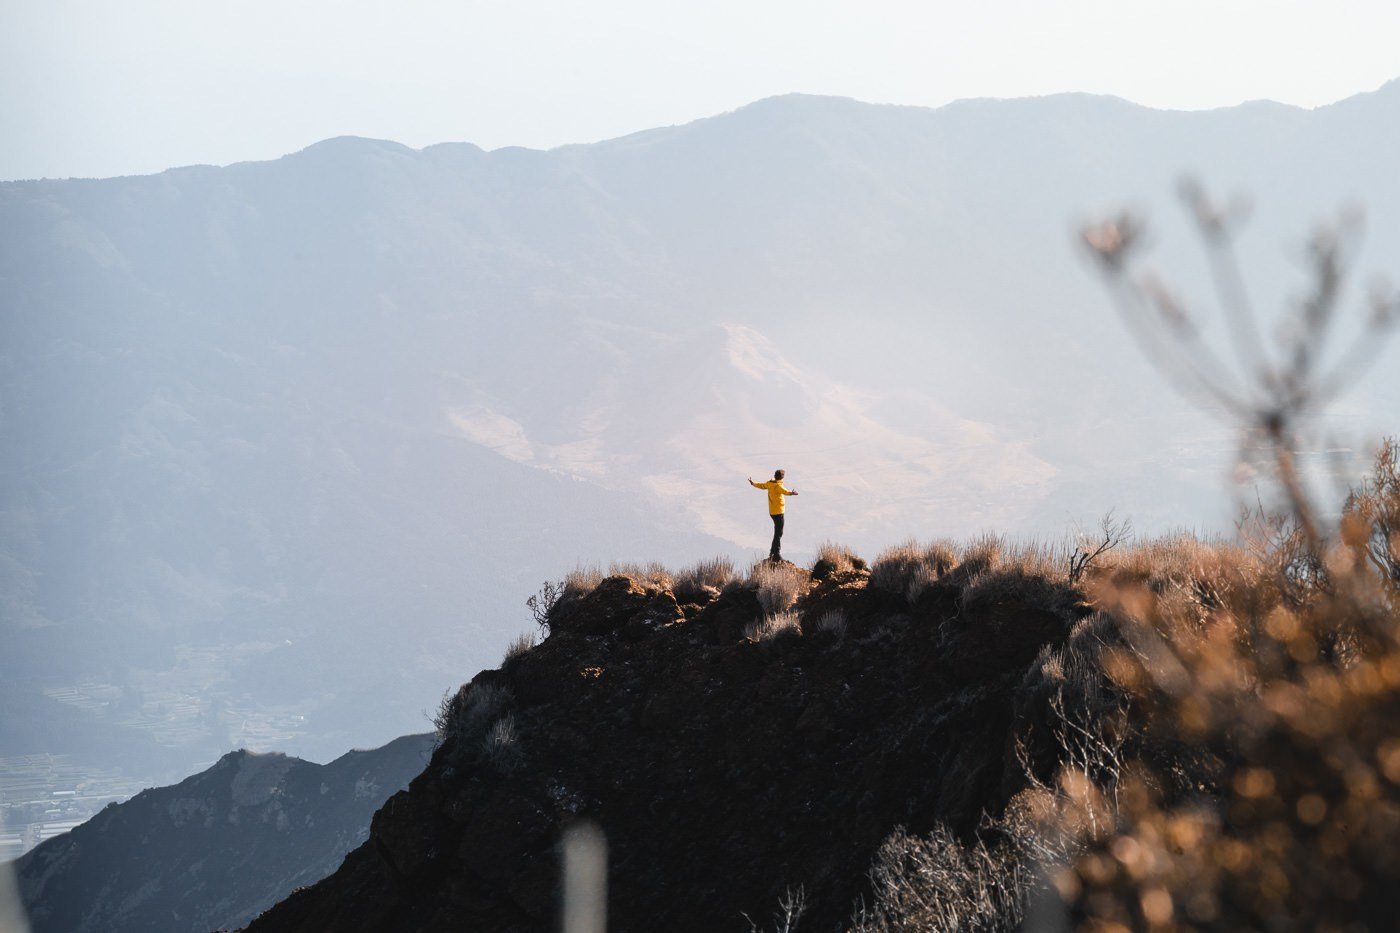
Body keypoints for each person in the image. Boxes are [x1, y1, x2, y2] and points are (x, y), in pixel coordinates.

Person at [748, 470, 799, 561]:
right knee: (779, 533)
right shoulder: (778, 486)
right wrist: (792, 493)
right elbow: (785, 491)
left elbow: (762, 485)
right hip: (779, 512)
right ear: (782, 477)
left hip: (772, 512)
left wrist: (753, 483)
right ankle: (776, 554)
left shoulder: (770, 483)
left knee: (777, 532)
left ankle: (772, 552)